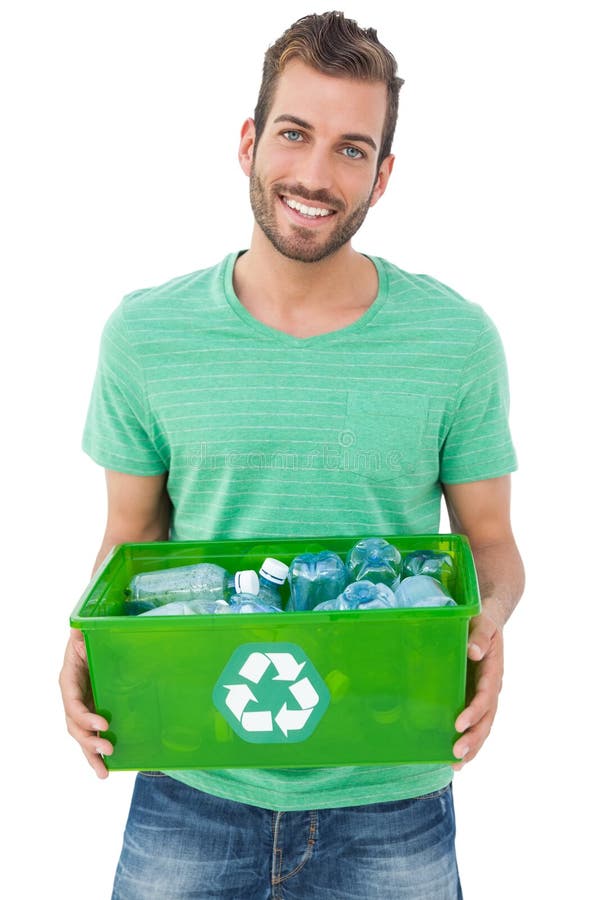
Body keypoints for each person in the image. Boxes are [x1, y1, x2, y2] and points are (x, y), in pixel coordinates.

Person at [60, 11, 525, 899]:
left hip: (392, 786)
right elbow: (132, 540)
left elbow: (491, 544)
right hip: (190, 782)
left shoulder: (456, 342)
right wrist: (86, 641)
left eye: (352, 149)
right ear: (248, 142)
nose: (315, 175)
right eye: (294, 134)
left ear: (383, 176)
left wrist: (488, 621)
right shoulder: (147, 335)